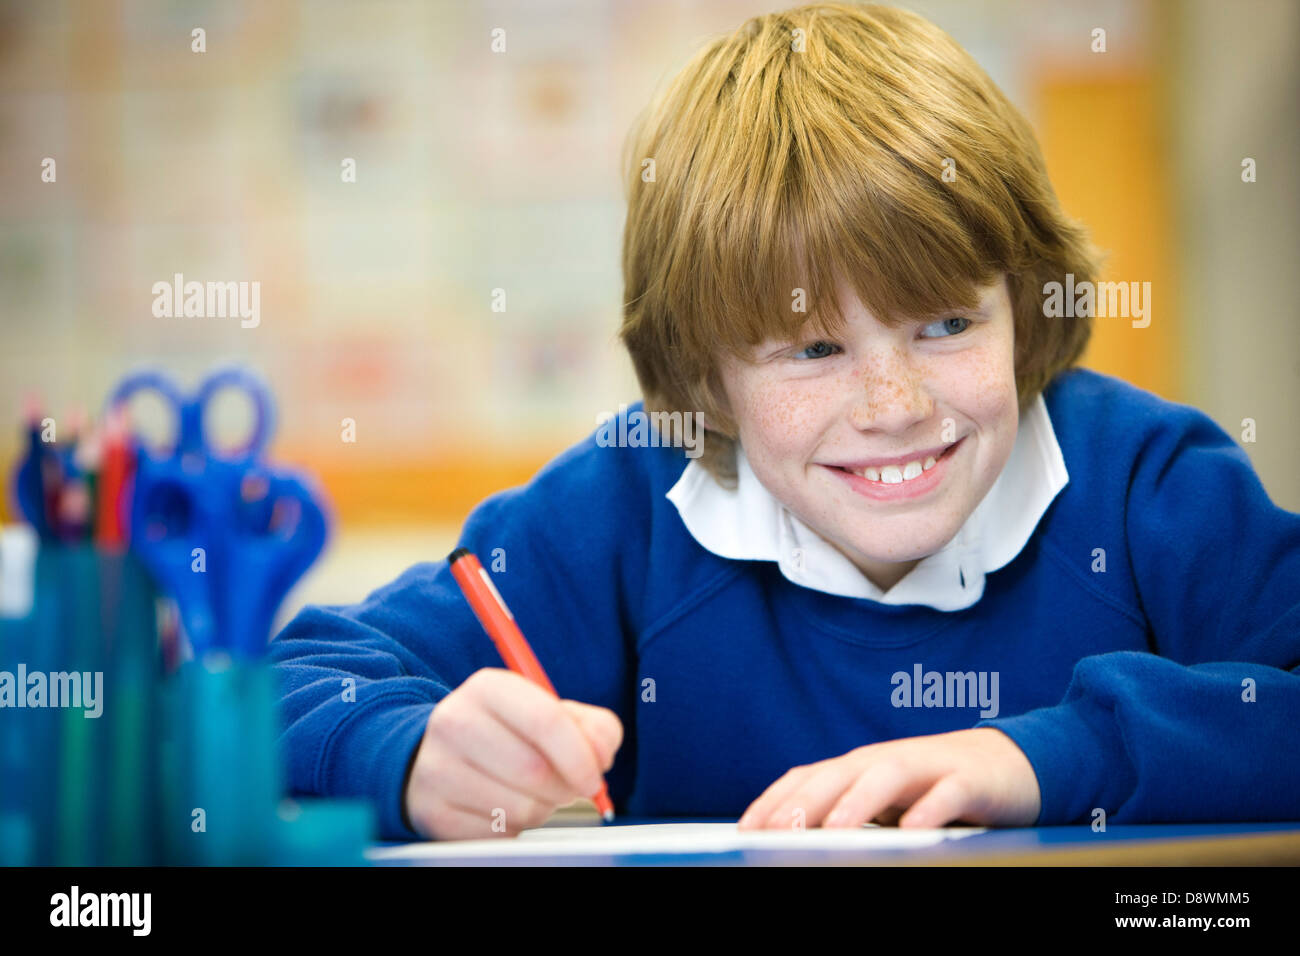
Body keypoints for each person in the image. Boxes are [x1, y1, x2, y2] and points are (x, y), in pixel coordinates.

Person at [268, 2, 1300, 841]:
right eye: (812, 350)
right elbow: (283, 684)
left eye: (945, 324)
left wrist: (1044, 756)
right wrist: (407, 753)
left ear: (1024, 308)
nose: (894, 407)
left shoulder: (1145, 481)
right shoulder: (624, 507)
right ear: (704, 378)